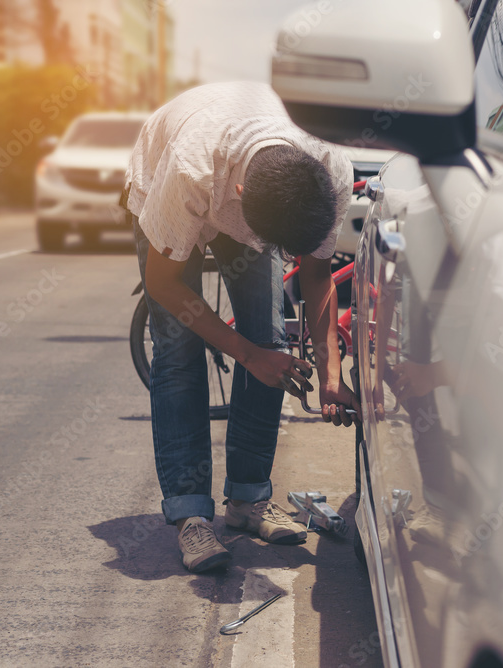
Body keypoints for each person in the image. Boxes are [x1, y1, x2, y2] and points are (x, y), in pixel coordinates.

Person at [123, 81, 360, 573]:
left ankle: (248, 500)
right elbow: (165, 285)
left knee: (269, 335)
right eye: (271, 243)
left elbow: (315, 274)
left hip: (250, 166)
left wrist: (332, 372)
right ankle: (190, 514)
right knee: (177, 352)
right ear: (240, 197)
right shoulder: (190, 171)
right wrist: (247, 356)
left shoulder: (328, 169)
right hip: (169, 172)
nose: (272, 251)